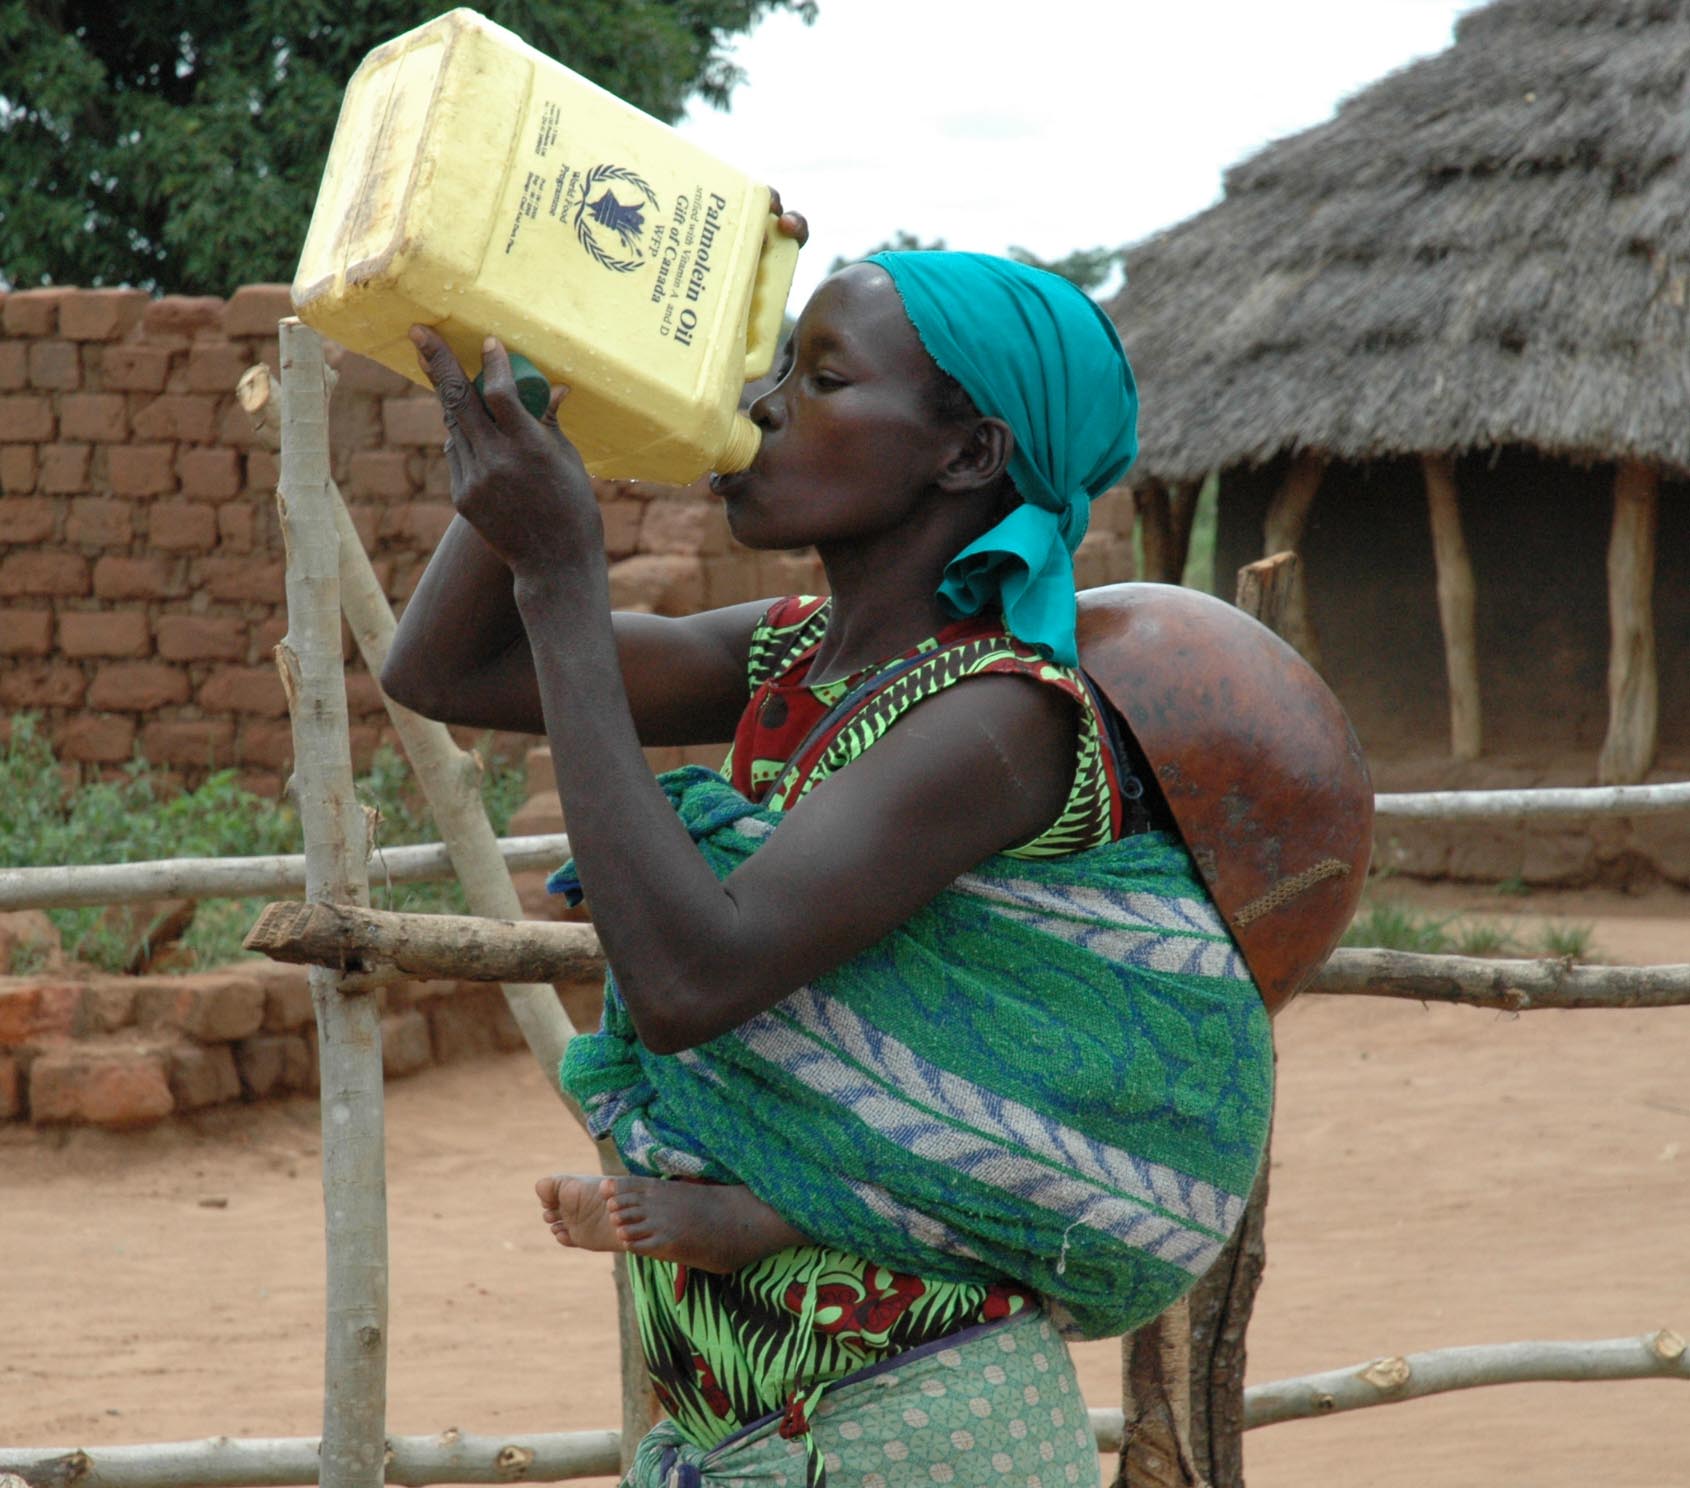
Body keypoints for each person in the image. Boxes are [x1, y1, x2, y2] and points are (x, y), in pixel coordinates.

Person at [384, 230, 1272, 1486]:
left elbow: (691, 979)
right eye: (777, 369)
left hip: (917, 1429)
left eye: (823, 379)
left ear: (967, 454)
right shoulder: (793, 657)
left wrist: (565, 572)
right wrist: (555, 395)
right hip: (735, 1430)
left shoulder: (1001, 717)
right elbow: (441, 669)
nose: (762, 407)